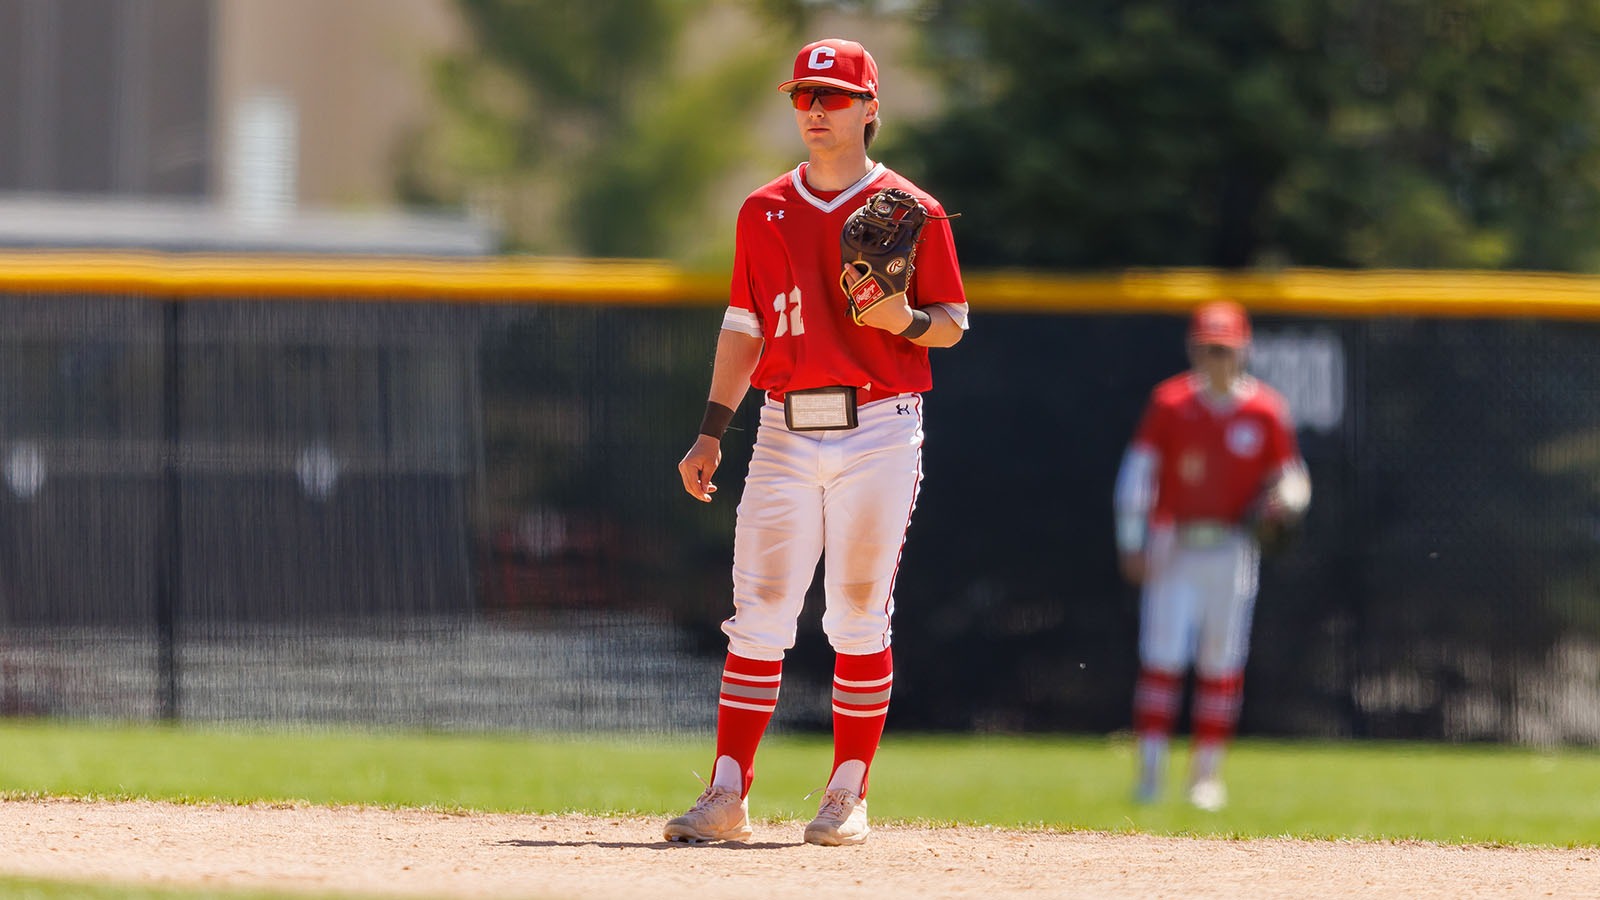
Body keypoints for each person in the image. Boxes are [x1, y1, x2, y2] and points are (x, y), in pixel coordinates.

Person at [664, 37, 967, 846]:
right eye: (804, 97)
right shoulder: (762, 209)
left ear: (871, 108)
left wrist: (901, 319)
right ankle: (728, 795)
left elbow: (953, 325)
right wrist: (710, 431)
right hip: (783, 428)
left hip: (879, 428)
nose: (817, 110)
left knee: (857, 616)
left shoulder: (911, 207)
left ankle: (846, 794)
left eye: (833, 97)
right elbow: (744, 325)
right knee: (758, 616)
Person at [1112, 300, 1310, 811]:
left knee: (1222, 660)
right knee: (1162, 657)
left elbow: (1290, 475)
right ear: (1193, 349)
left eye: (1223, 349)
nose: (1215, 359)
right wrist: (1132, 539)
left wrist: (1287, 500)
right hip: (1174, 542)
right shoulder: (1171, 403)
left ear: (1241, 350)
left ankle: (1206, 777)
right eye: (1206, 349)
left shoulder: (1265, 408)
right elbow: (1137, 476)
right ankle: (1150, 775)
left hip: (1232, 546)